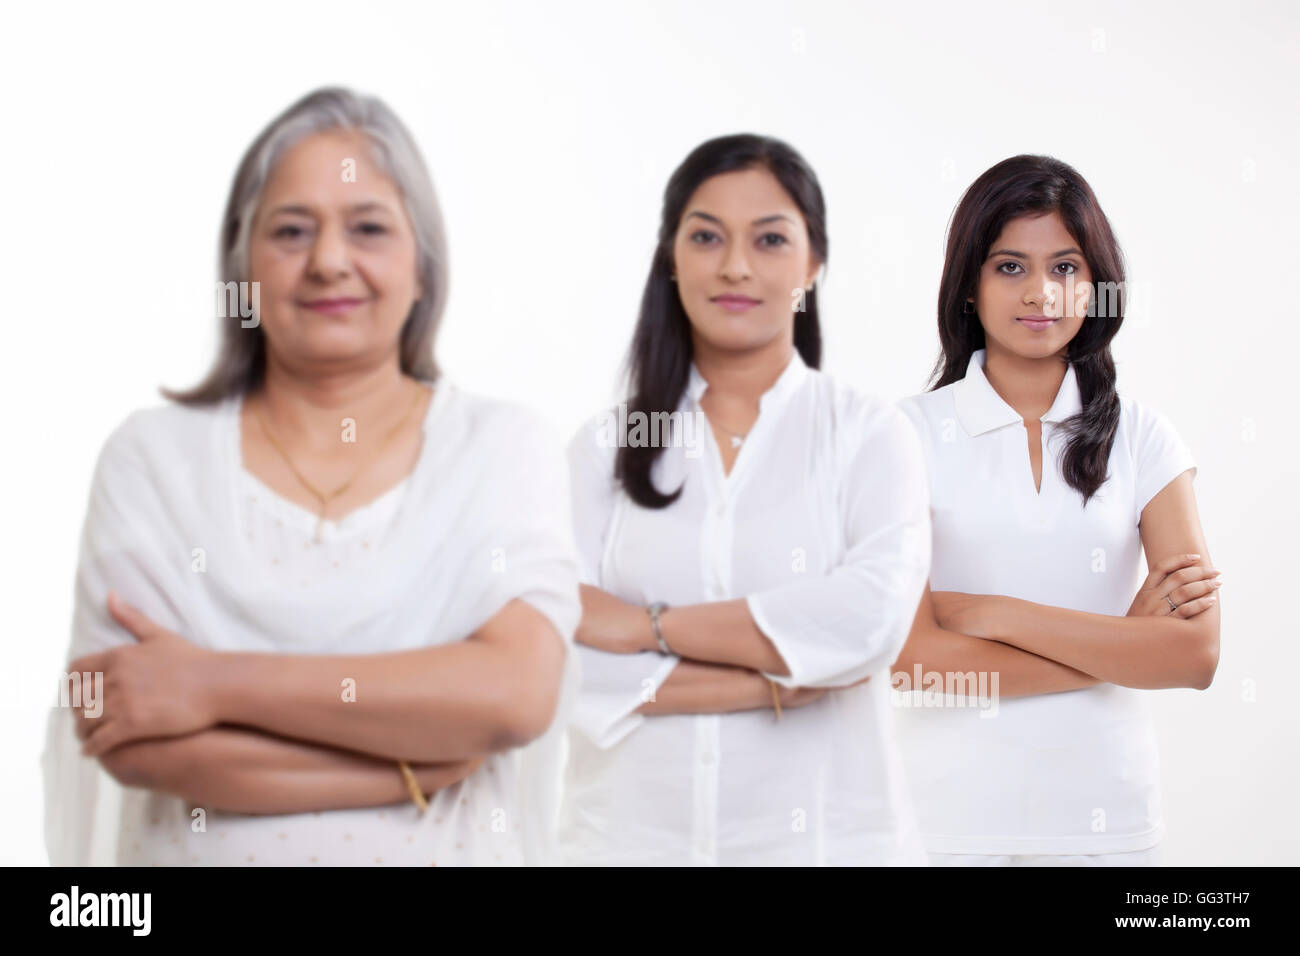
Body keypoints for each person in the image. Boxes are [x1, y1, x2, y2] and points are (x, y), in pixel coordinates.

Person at [41, 87, 580, 867]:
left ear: (423, 267)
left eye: (368, 228)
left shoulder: (500, 449)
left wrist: (208, 687)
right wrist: (420, 761)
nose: (329, 261)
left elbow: (512, 695)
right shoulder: (153, 458)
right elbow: (119, 729)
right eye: (291, 231)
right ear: (242, 266)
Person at [559, 134, 931, 865]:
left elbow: (870, 621)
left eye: (769, 239)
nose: (735, 265)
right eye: (706, 237)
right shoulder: (602, 448)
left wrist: (641, 626)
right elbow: (552, 656)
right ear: (672, 256)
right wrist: (766, 684)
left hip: (823, 846)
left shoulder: (868, 435)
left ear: (813, 264)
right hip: (624, 846)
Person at [892, 154, 1221, 866]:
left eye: (1066, 268)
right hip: (942, 827)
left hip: (1109, 827)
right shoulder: (902, 439)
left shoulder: (1146, 437)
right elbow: (912, 664)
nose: (1042, 292)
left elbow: (1193, 654)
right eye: (1011, 267)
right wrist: (1125, 645)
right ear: (969, 287)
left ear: (1096, 284)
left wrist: (995, 613)